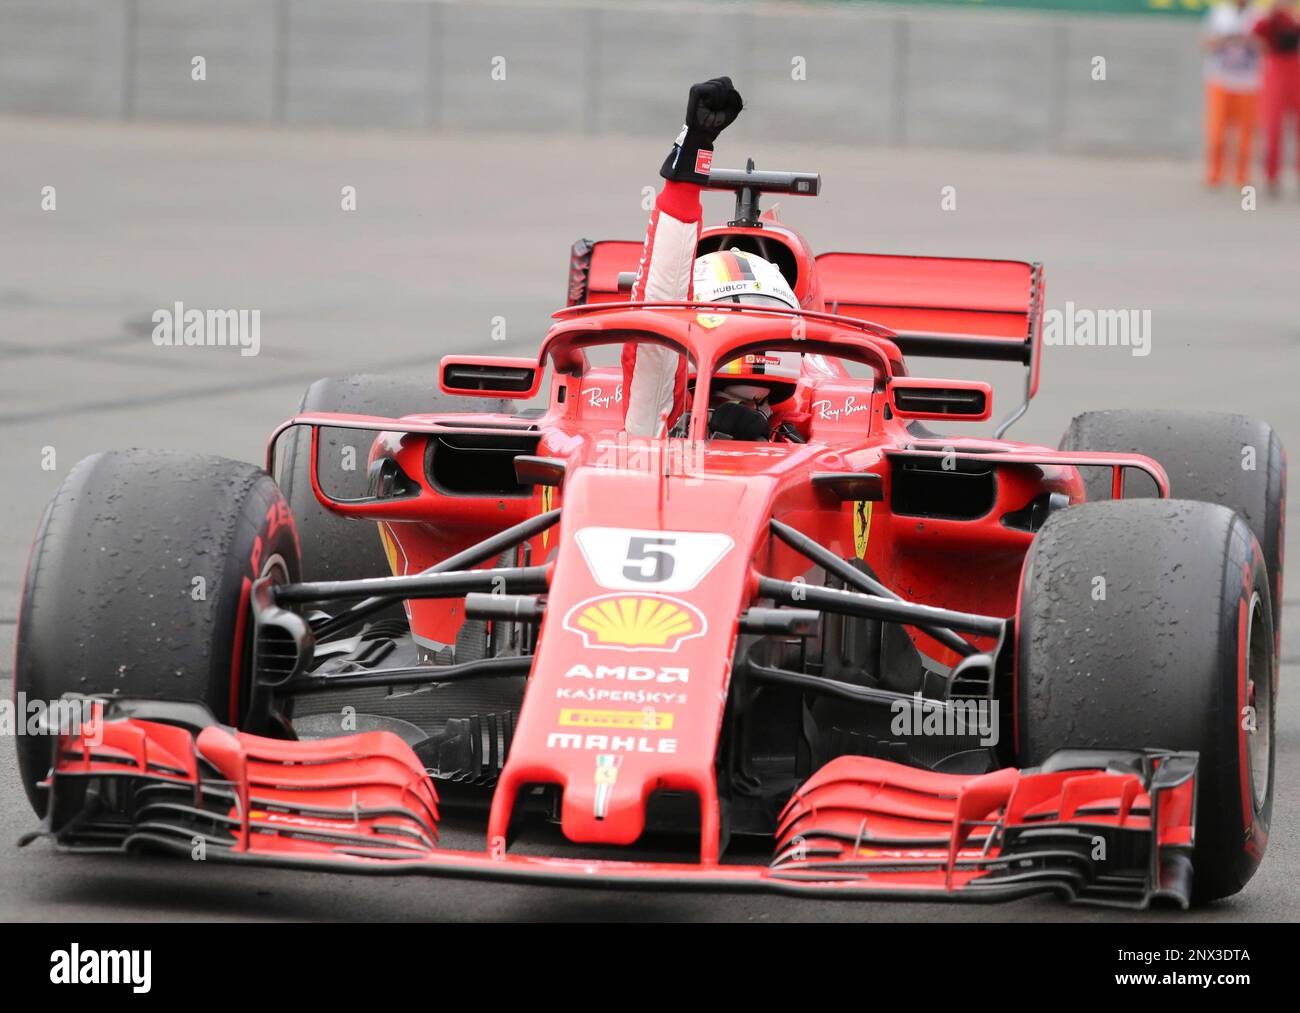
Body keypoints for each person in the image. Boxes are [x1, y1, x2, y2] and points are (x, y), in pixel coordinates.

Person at [622, 78, 802, 441]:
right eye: (737, 312)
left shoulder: (820, 433)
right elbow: (662, 300)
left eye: (762, 313)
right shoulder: (654, 428)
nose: (752, 339)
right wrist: (693, 153)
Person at [1203, 0, 1263, 188]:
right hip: (1220, 79)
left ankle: (1242, 175)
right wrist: (1227, 39)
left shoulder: (1258, 15)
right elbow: (1206, 42)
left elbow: (1266, 46)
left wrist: (1248, 41)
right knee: (1217, 130)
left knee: (1246, 132)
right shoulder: (1219, 13)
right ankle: (1215, 174)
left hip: (1249, 82)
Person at [1254, 0, 1300, 194]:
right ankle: (1272, 176)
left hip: (1295, 68)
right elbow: (1256, 37)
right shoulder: (1269, 18)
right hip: (1275, 68)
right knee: (1273, 126)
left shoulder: (1295, 17)